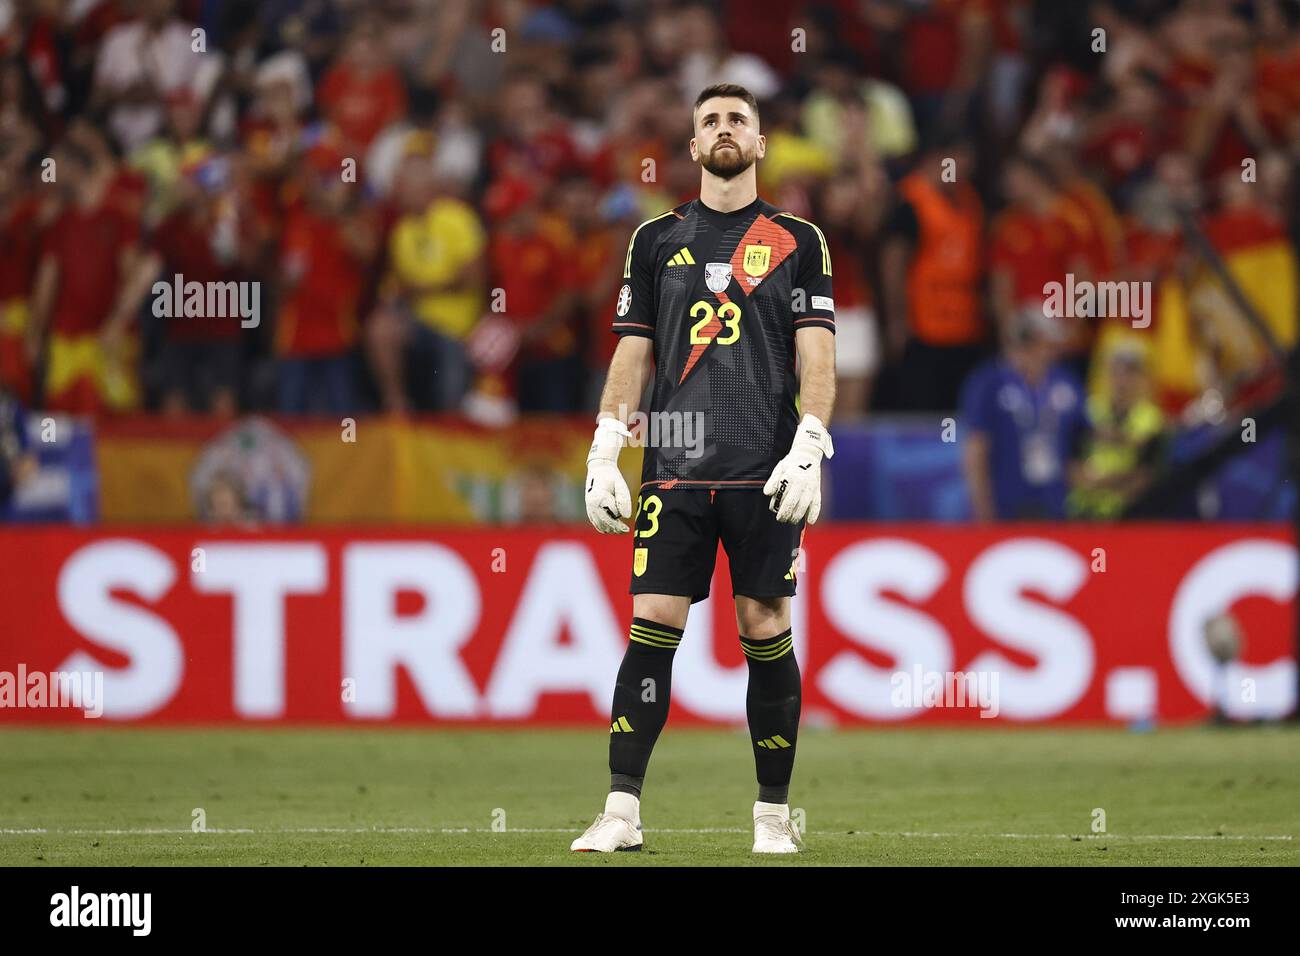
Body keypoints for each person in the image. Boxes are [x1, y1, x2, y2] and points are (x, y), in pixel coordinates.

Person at [574, 84, 837, 855]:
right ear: (692, 147)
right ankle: (621, 811)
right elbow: (633, 350)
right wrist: (603, 449)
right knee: (653, 623)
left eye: (739, 121)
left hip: (765, 468)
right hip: (675, 467)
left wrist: (811, 443)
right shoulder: (655, 239)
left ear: (760, 144)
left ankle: (772, 816)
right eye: (711, 122)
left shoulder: (800, 239)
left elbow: (816, 352)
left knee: (764, 626)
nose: (725, 131)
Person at [960, 308, 1088, 521]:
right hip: (1006, 502)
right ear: (1033, 342)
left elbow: (1080, 442)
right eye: (1048, 344)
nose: (1055, 351)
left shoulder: (1066, 381)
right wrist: (982, 509)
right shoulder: (988, 383)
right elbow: (976, 448)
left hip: (1056, 502)